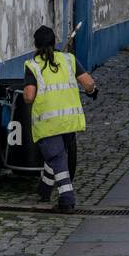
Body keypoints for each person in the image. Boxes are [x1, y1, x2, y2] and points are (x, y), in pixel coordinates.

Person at [23, 25, 98, 212]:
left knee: (57, 158)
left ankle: (66, 199)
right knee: (56, 156)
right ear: (55, 42)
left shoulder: (32, 65)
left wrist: (26, 94)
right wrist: (92, 92)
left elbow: (29, 96)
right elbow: (88, 83)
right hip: (69, 120)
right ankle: (44, 190)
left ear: (35, 45)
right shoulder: (68, 59)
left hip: (48, 122)